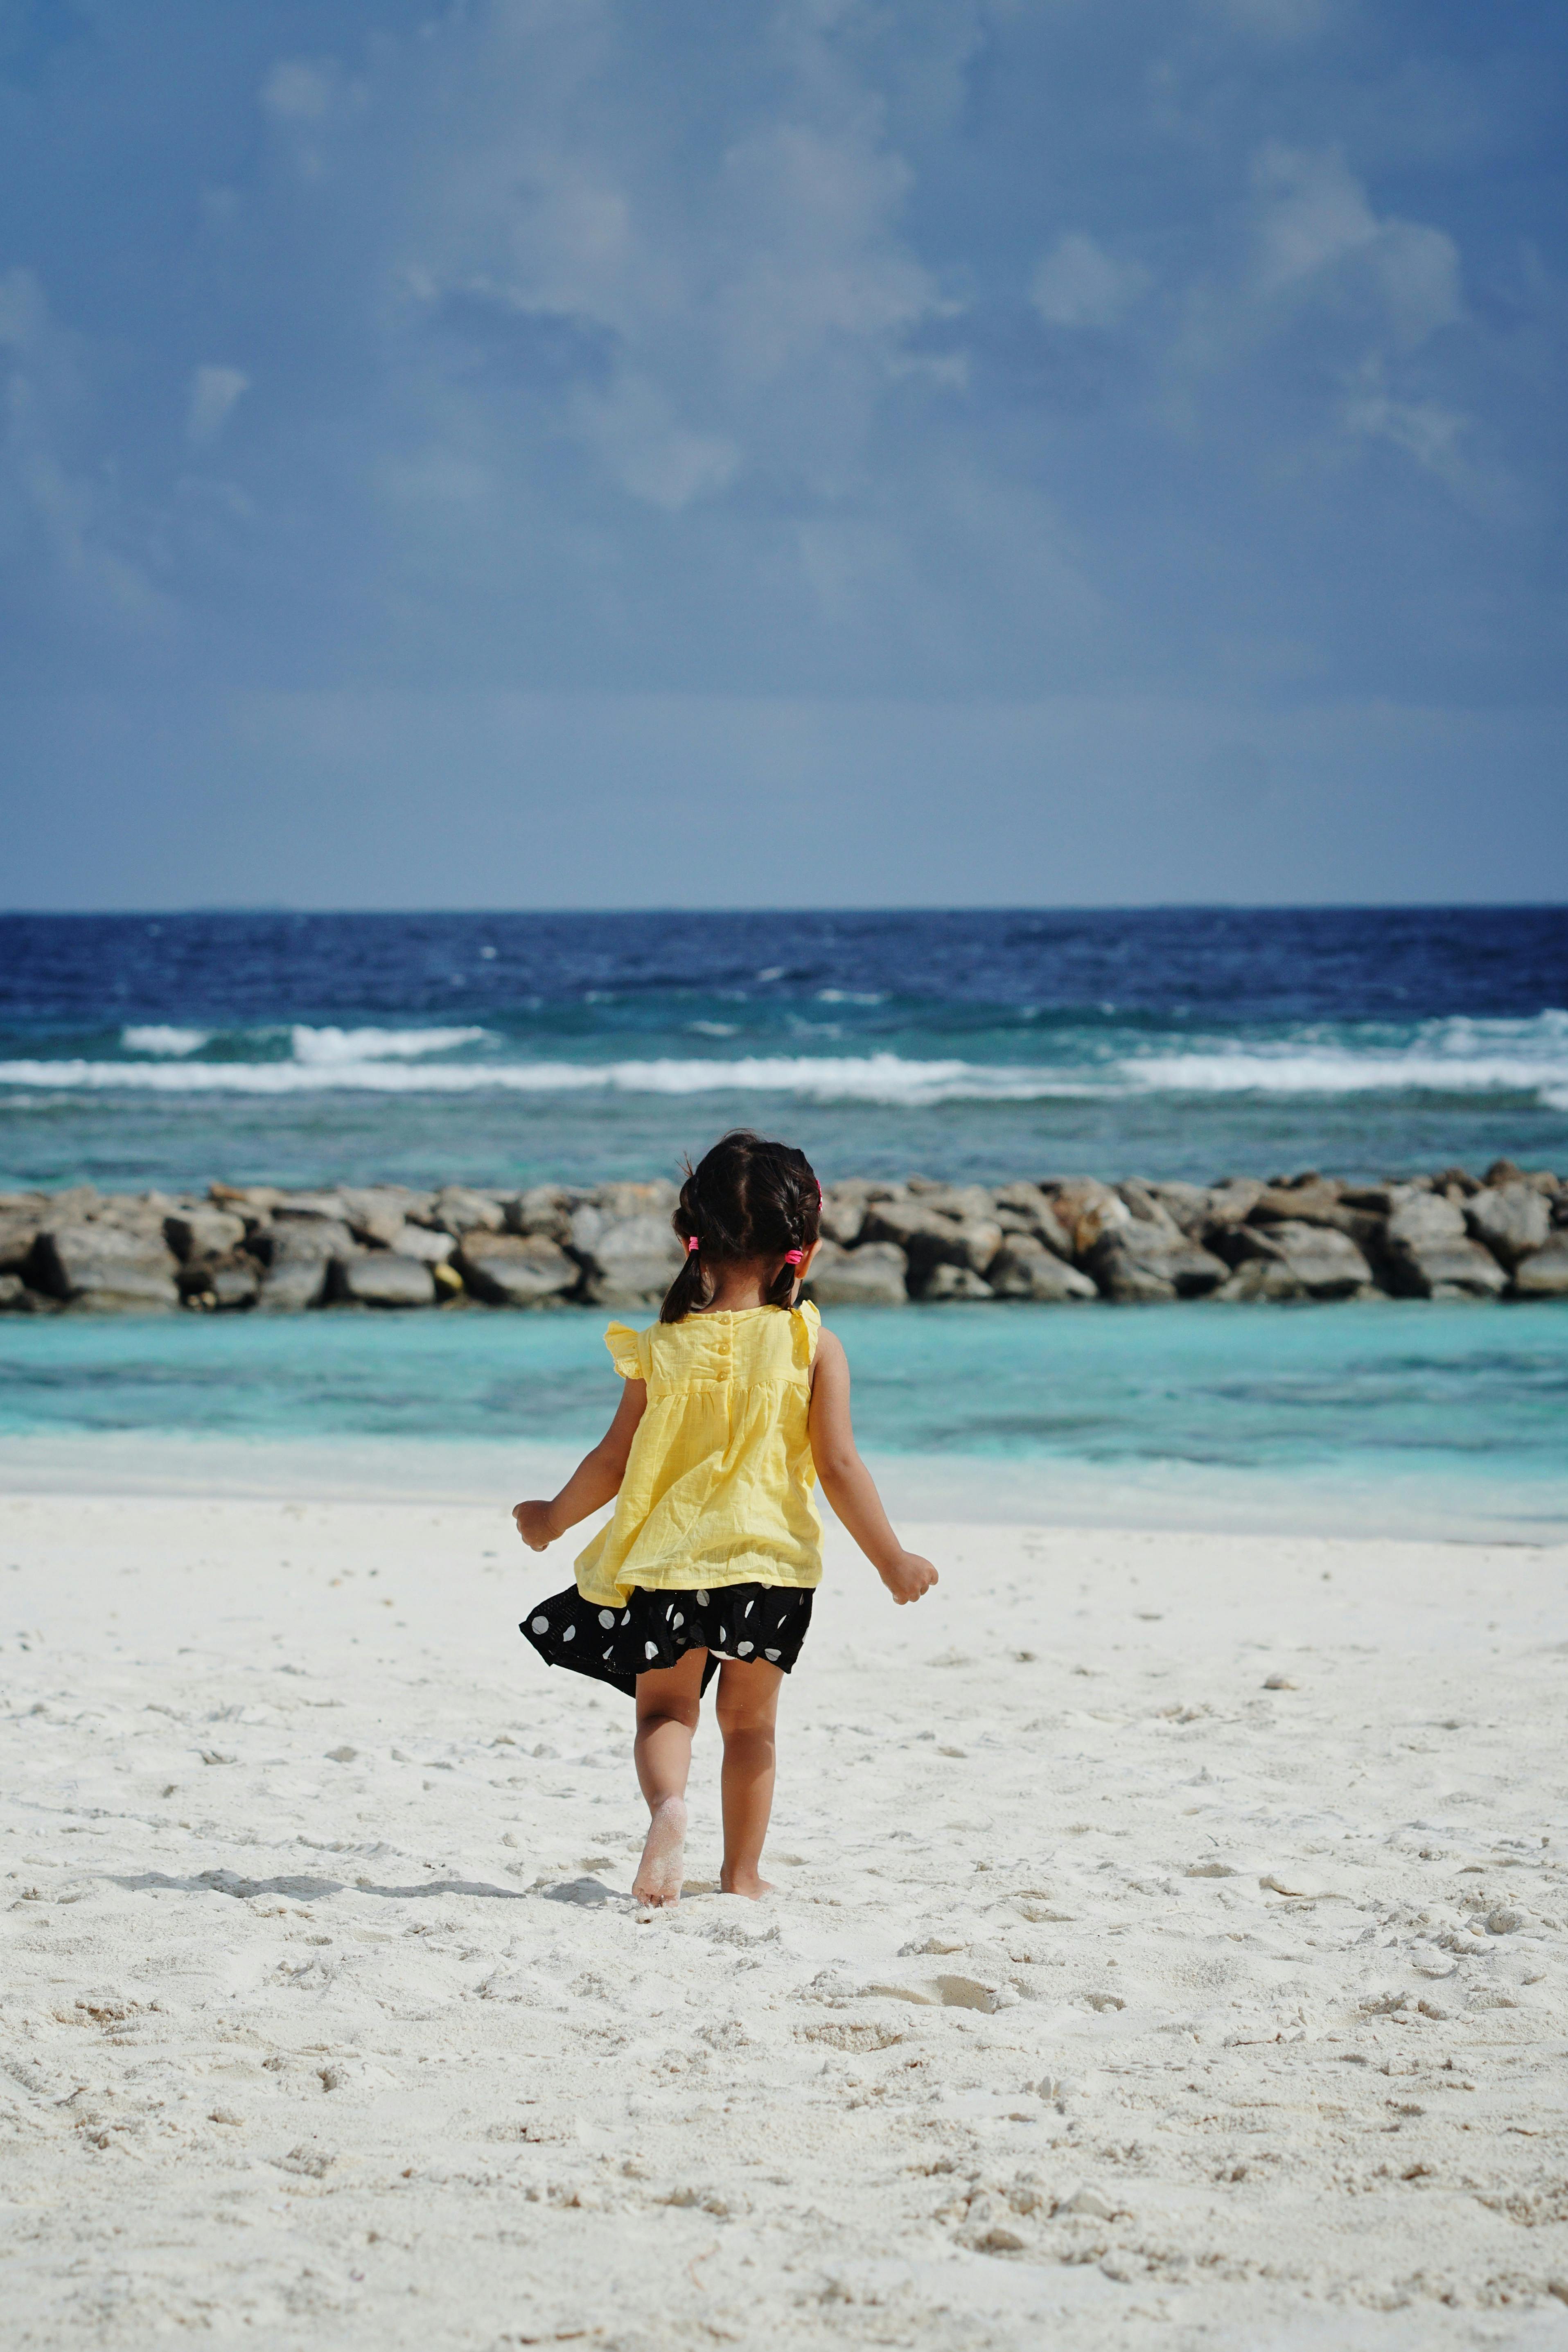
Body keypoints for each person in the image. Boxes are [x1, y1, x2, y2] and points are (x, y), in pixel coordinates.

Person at [514, 1130, 938, 1908]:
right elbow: (842, 1468)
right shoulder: (812, 1342)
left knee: (666, 1711)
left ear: (690, 1236)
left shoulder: (662, 1345)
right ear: (801, 1244)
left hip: (666, 1567)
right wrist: (892, 1560)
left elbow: (610, 1462)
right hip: (770, 1571)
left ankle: (668, 1808)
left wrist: (551, 1518)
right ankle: (741, 1876)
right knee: (749, 1731)